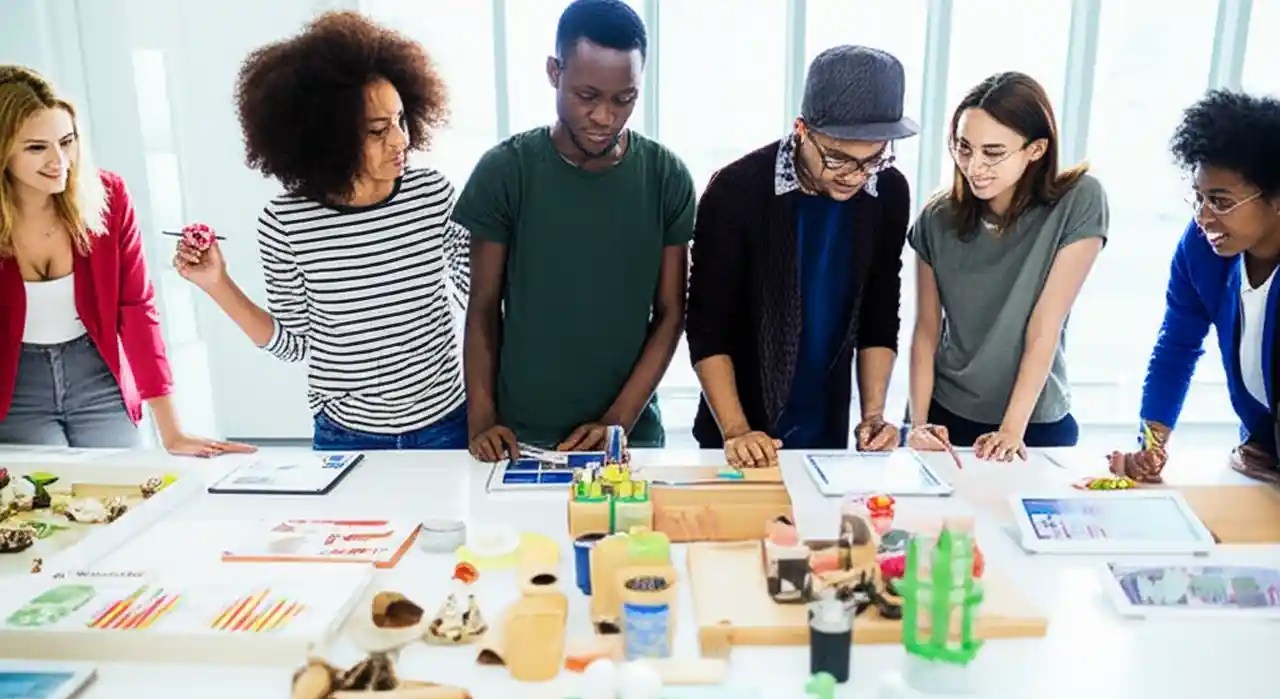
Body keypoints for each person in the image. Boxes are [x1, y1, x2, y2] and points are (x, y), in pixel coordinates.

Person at [174, 12, 471, 451]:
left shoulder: (432, 194)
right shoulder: (286, 223)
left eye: (401, 120)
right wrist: (217, 283)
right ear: (330, 137)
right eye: (377, 130)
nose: (400, 140)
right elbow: (293, 345)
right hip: (346, 435)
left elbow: (481, 295)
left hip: (446, 424)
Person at [456, 0, 694, 461]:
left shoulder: (666, 177)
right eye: (588, 96)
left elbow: (671, 314)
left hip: (630, 438)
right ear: (554, 72)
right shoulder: (506, 171)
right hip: (517, 439)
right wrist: (481, 418)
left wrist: (617, 422)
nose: (605, 116)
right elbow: (483, 305)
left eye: (624, 99)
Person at [685, 46, 917, 469]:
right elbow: (707, 327)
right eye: (838, 158)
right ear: (801, 130)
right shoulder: (736, 191)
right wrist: (736, 430)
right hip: (735, 430)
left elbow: (879, 312)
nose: (855, 176)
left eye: (873, 159)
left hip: (825, 430)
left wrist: (873, 416)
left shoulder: (888, 191)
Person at [0, 66, 251, 456]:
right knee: (47, 490)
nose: (60, 161)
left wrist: (172, 432)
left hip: (98, 377)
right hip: (14, 386)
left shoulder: (108, 196)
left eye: (67, 141)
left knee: (123, 483)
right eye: (36, 148)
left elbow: (136, 309)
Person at [906, 72, 1107, 462]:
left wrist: (1011, 431)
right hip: (946, 417)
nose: (974, 166)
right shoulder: (936, 218)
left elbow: (1045, 324)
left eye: (993, 152)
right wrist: (918, 424)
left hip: (1033, 424)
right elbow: (926, 330)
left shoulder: (1079, 201)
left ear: (1036, 150)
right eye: (964, 148)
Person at [1109, 90, 1280, 485]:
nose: (1204, 217)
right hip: (1262, 450)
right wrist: (1151, 446)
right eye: (1199, 198)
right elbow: (1176, 347)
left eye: (1221, 201)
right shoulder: (1201, 251)